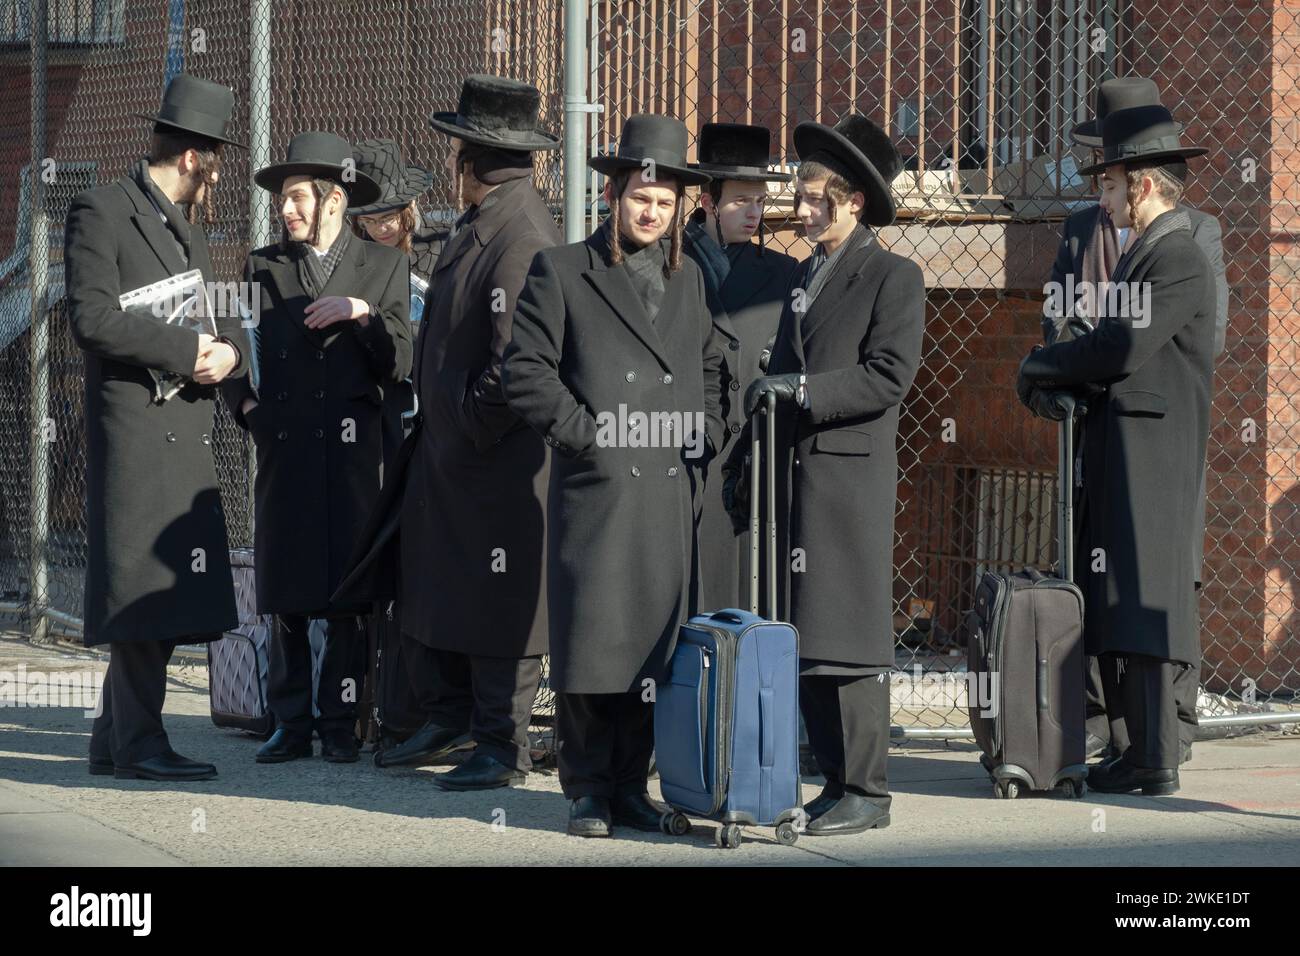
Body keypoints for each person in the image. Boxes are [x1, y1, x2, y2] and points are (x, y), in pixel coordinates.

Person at [502, 114, 725, 836]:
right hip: (600, 487)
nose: (652, 212)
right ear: (613, 193)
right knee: (594, 640)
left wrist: (707, 432)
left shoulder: (690, 280)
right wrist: (587, 439)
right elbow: (526, 371)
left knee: (651, 647)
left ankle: (633, 785)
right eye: (640, 198)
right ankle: (588, 788)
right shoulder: (563, 270)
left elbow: (714, 365)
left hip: (664, 491)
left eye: (665, 203)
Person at [724, 114, 925, 836]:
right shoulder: (808, 274)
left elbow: (887, 376)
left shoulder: (893, 276)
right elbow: (781, 365)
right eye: (802, 196)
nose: (802, 210)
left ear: (855, 202)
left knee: (850, 634)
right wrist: (752, 451)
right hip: (796, 475)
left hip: (848, 479)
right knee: (808, 629)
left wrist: (801, 392)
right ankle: (834, 781)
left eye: (817, 199)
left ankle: (866, 790)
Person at [367, 75, 561, 791]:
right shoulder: (488, 222)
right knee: (445, 581)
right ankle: (451, 717)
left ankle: (500, 744)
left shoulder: (520, 236)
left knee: (497, 598)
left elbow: (518, 360)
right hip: (458, 455)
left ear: (470, 161)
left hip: (495, 461)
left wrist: (469, 424)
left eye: (457, 151)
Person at [1017, 104, 1215, 796]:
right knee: (1123, 596)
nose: (1102, 197)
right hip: (1124, 444)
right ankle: (1134, 750)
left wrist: (1043, 364)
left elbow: (1122, 346)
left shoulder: (1179, 255)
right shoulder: (1144, 251)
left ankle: (1156, 757)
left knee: (1152, 596)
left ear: (1145, 184)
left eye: (1111, 183)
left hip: (1155, 451)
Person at [68, 73, 249, 781]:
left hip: (183, 427)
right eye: (217, 161)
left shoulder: (188, 233)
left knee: (168, 589)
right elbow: (93, 319)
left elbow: (217, 312)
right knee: (143, 590)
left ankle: (114, 739)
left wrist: (229, 351)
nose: (218, 175)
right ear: (195, 157)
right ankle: (140, 743)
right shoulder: (101, 209)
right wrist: (185, 350)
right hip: (139, 431)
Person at [222, 131, 412, 765]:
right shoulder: (263, 266)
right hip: (288, 449)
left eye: (297, 197)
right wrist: (248, 411)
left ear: (334, 199)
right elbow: (227, 341)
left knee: (349, 599)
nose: (285, 209)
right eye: (282, 199)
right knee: (288, 594)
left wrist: (363, 313)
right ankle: (290, 720)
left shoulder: (384, 267)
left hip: (358, 456)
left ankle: (340, 723)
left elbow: (400, 363)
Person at [682, 122, 799, 612]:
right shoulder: (668, 266)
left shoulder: (786, 274)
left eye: (760, 200)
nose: (754, 212)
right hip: (681, 448)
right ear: (708, 200)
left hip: (749, 460)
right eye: (740, 200)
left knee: (744, 600)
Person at [348, 138, 441, 470]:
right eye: (367, 221)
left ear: (410, 204)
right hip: (378, 405)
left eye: (385, 217)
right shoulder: (354, 256)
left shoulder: (443, 248)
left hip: (431, 401)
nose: (378, 229)